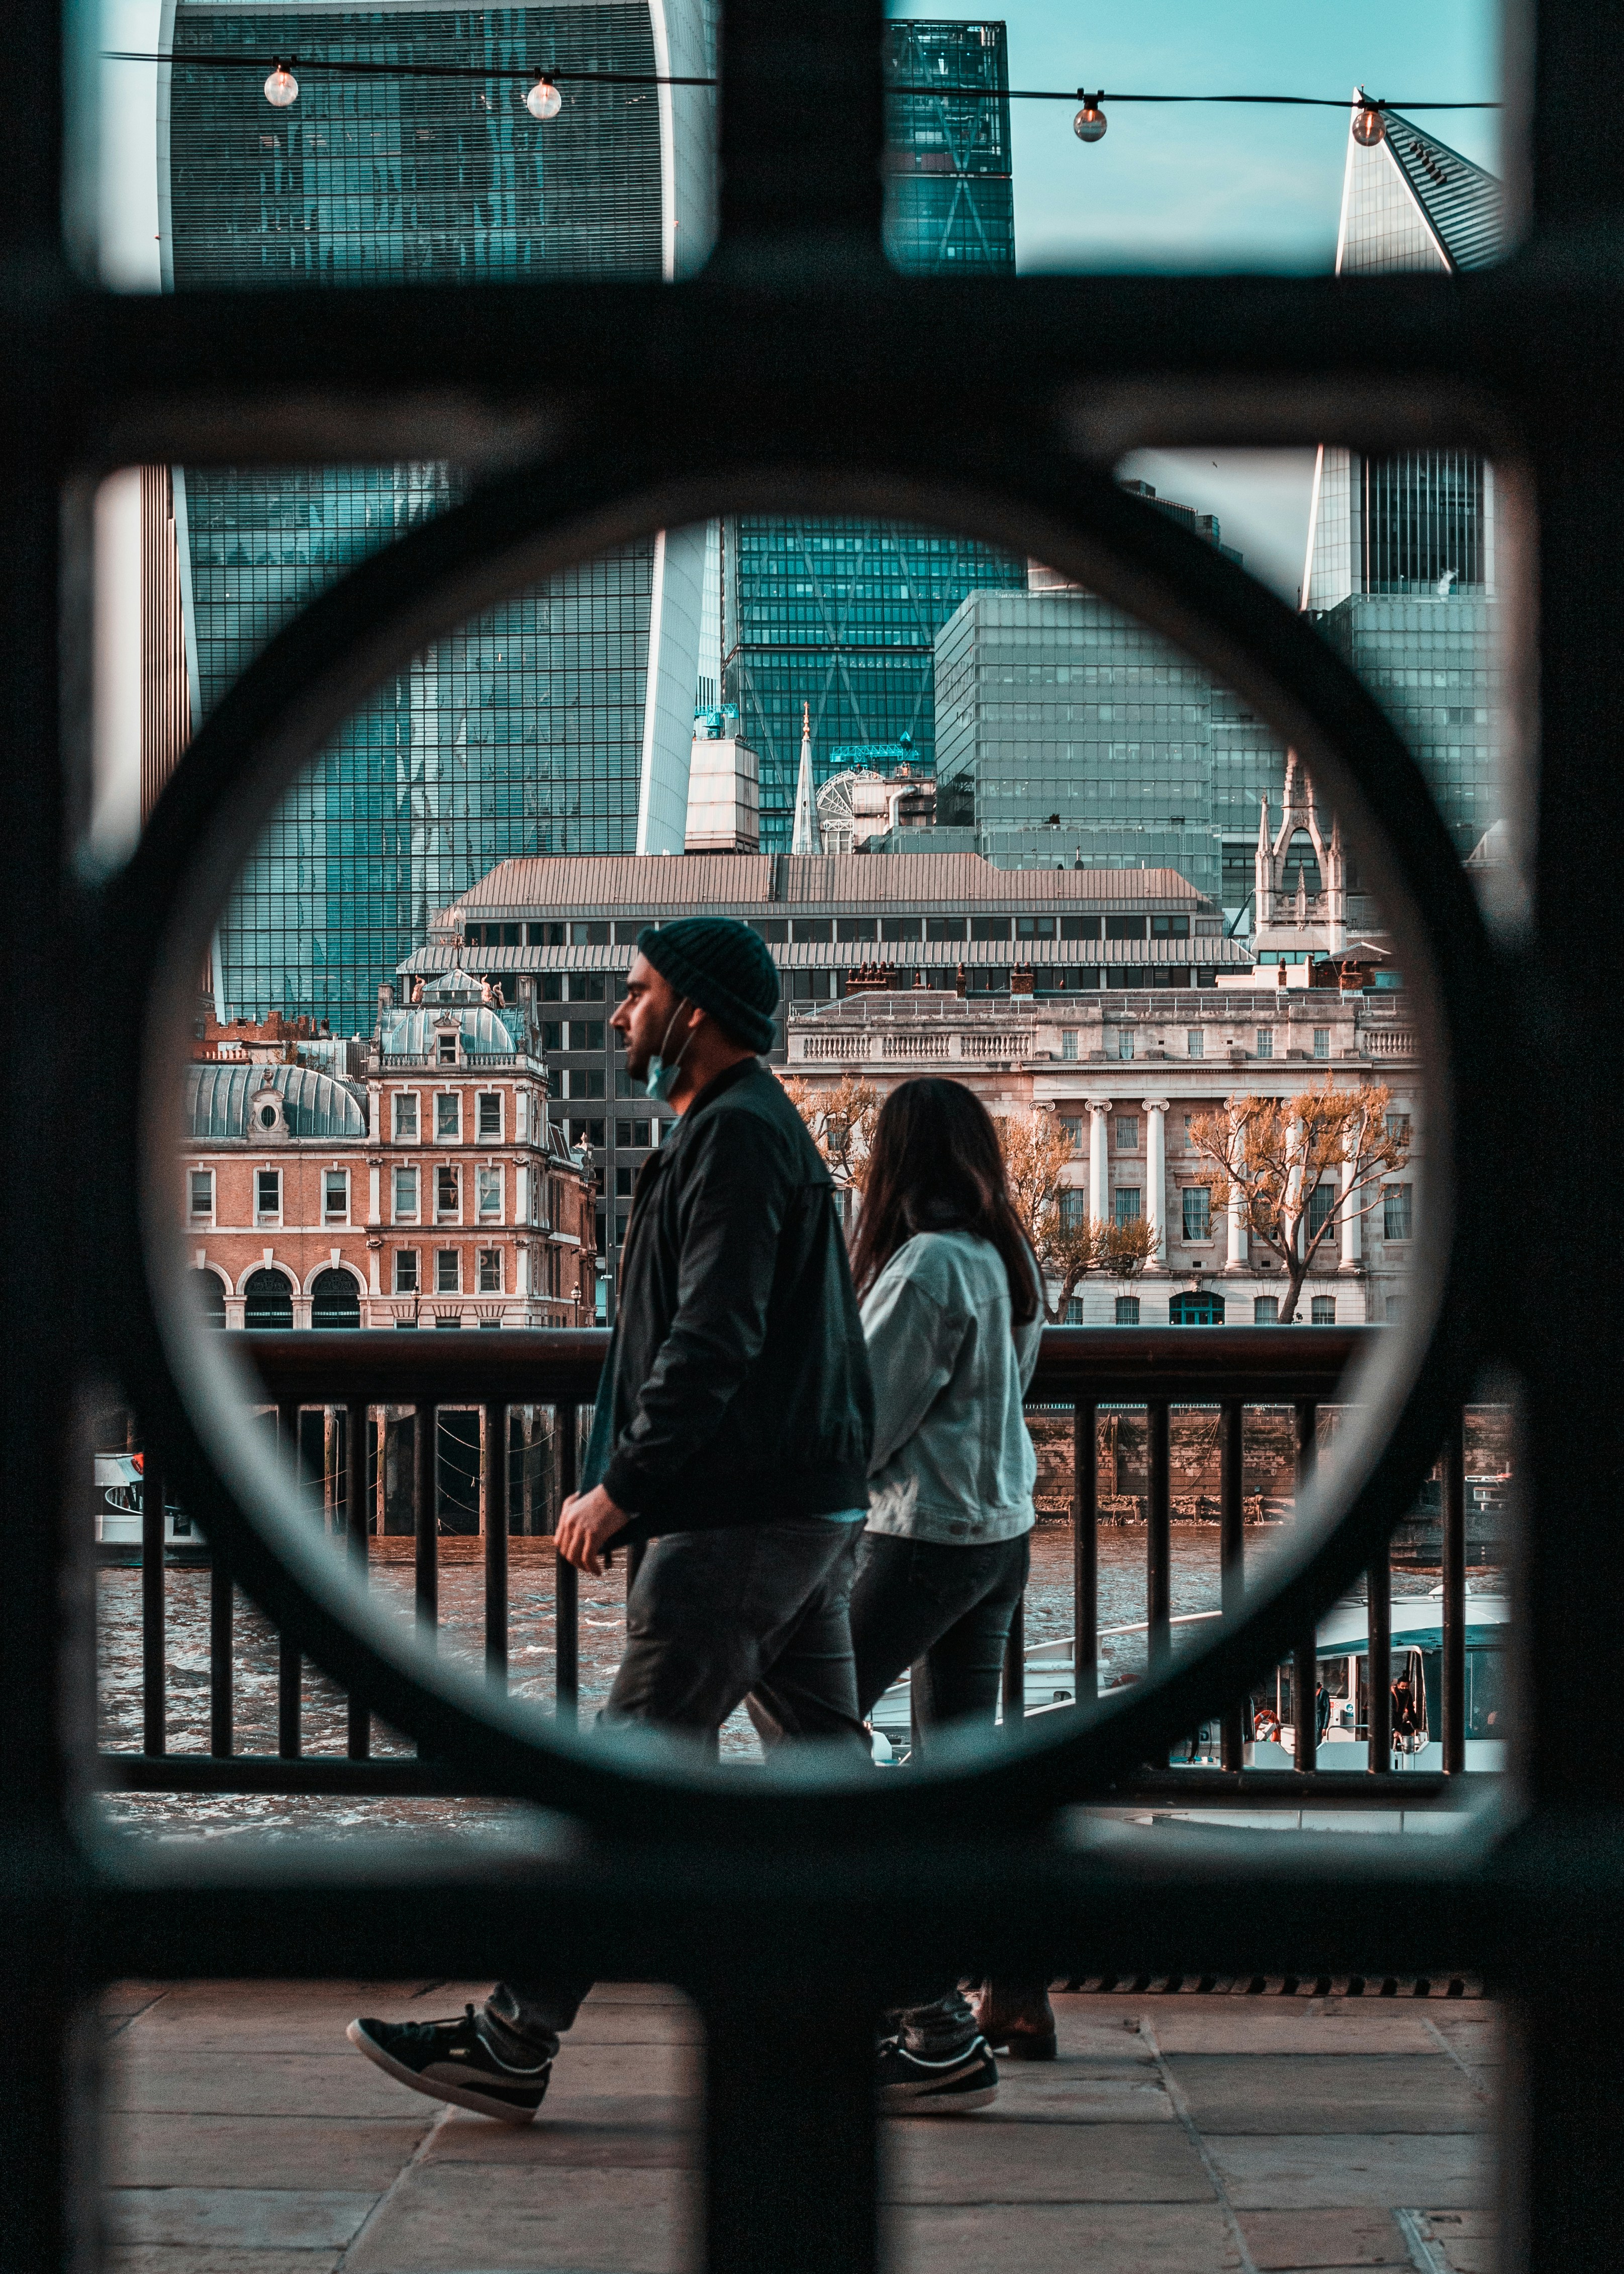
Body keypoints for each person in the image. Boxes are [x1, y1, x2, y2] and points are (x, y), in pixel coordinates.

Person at [347, 917, 875, 2123]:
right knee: (832, 1776)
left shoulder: (737, 1136)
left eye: (635, 996)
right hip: (794, 1499)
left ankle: (515, 2036)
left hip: (736, 1513)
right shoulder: (743, 1129)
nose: (617, 1017)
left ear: (692, 1009)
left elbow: (712, 1339)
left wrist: (622, 1487)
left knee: (629, 1778)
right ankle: (929, 2022)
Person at [845, 1078, 1053, 2079]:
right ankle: (1010, 1989)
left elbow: (865, 1422)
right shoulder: (1005, 1258)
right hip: (999, 1536)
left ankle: (889, 1983)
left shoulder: (923, 1267)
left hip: (924, 1536)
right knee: (963, 1769)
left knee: (810, 1719)